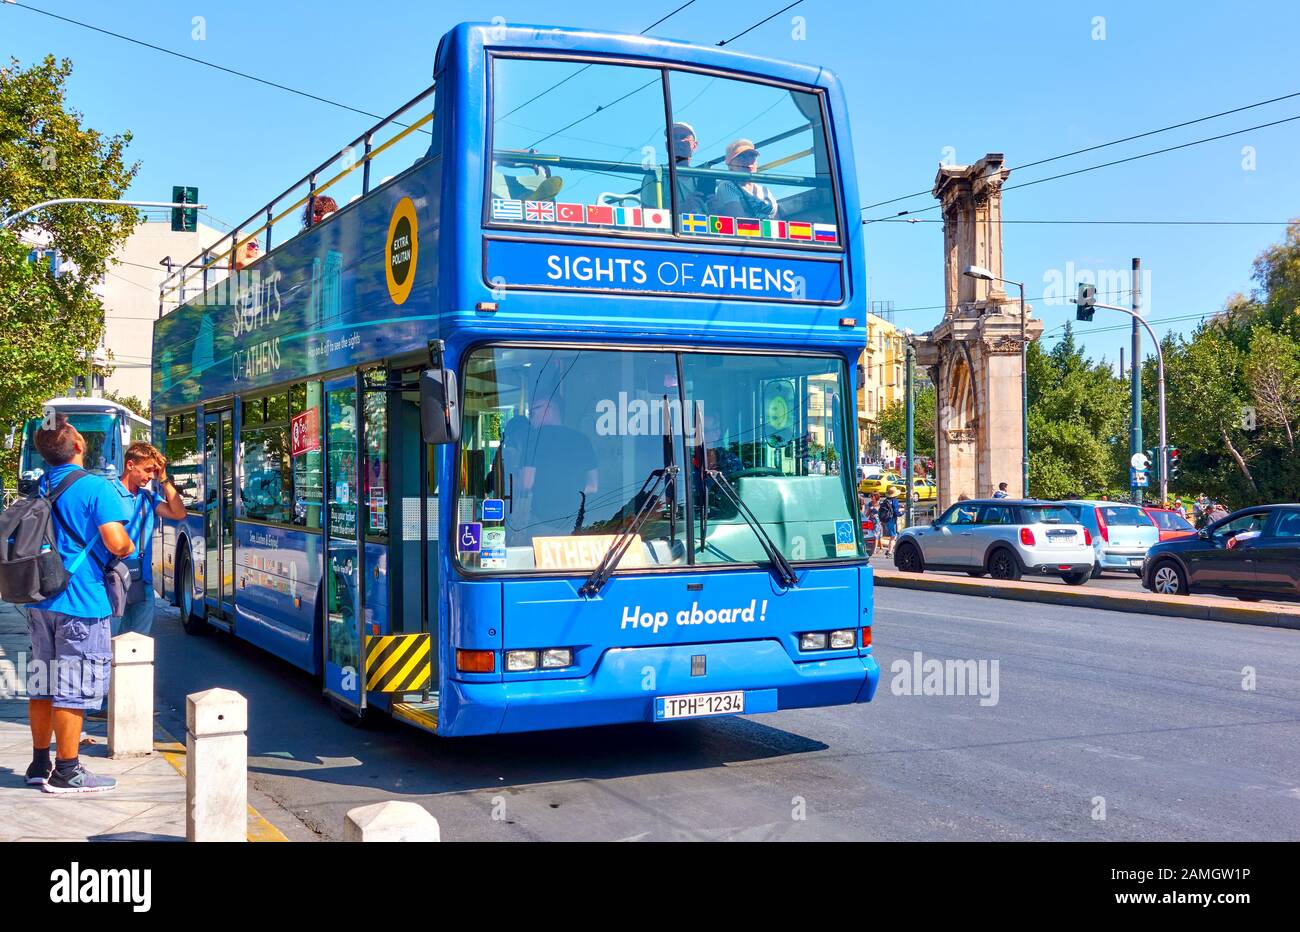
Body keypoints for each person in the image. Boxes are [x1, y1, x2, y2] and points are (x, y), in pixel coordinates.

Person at [23, 415, 134, 794]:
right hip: (80, 601)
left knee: (42, 684)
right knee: (73, 686)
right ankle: (67, 770)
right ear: (80, 447)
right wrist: (128, 546)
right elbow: (117, 542)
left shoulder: (39, 486)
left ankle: (39, 763)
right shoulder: (95, 488)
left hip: (39, 601)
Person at [110, 443, 188, 638]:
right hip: (111, 581)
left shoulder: (148, 498)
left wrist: (164, 478)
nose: (150, 476)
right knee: (107, 644)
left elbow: (178, 513)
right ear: (130, 465)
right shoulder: (108, 494)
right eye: (147, 470)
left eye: (154, 471)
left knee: (137, 647)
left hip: (141, 581)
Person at [641, 122, 710, 214]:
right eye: (673, 138)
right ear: (667, 146)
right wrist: (682, 209)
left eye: (683, 137)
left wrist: (716, 210)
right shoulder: (655, 176)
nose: (678, 141)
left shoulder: (703, 178)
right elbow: (649, 218)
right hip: (674, 229)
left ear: (694, 145)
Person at [709, 139, 779, 220]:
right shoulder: (727, 186)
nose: (748, 161)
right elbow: (739, 221)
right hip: (750, 232)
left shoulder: (765, 190)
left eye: (752, 156)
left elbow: (778, 220)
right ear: (730, 165)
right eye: (741, 157)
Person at [878, 488, 902, 557]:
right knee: (893, 537)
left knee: (892, 536)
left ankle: (889, 550)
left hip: (886, 520)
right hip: (892, 519)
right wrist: (902, 513)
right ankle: (890, 552)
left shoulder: (886, 501)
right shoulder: (895, 501)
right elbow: (896, 512)